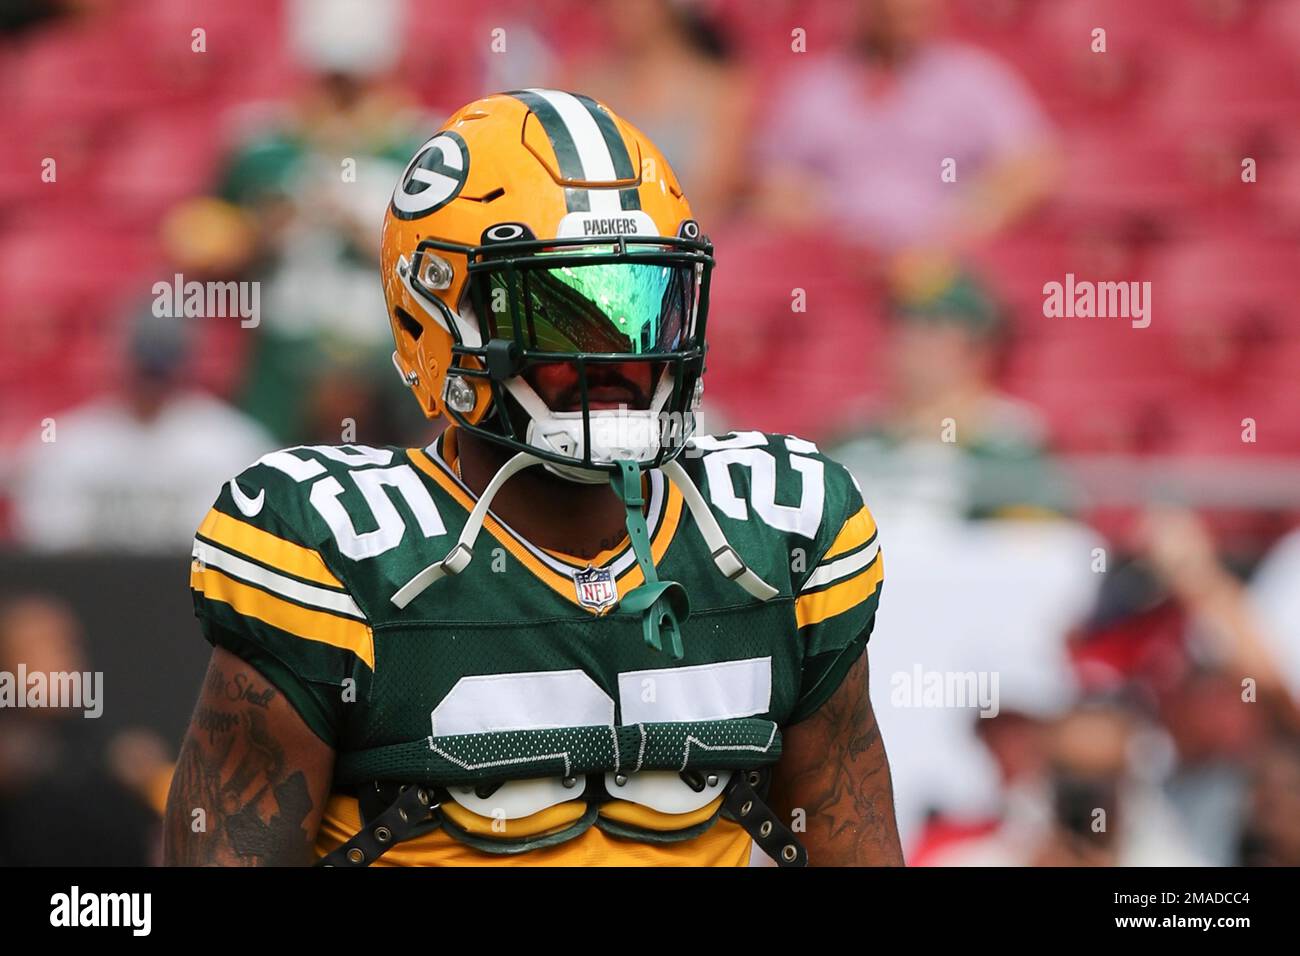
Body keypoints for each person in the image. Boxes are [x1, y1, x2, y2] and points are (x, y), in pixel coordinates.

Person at [162, 91, 902, 867]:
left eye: (646, 308)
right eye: (564, 316)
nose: (619, 357)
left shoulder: (780, 533)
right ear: (435, 317)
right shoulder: (336, 549)